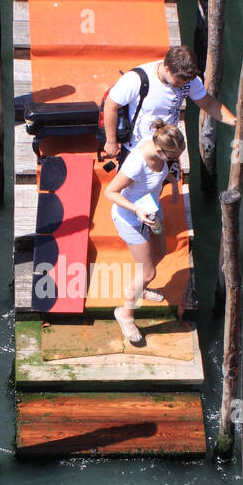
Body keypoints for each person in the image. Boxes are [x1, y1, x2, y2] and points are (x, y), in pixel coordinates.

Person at [103, 121, 186, 346]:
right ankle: (125, 313)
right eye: (171, 157)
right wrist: (137, 210)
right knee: (148, 272)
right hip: (131, 218)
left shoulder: (161, 146)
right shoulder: (136, 165)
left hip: (151, 209)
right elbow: (110, 192)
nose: (173, 160)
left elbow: (165, 171)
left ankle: (141, 288)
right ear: (159, 151)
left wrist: (174, 184)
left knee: (162, 250)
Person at [102, 46, 234, 162]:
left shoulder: (188, 81)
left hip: (168, 149)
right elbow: (110, 105)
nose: (182, 85)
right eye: (177, 82)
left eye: (185, 82)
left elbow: (209, 104)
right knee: (129, 190)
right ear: (166, 68)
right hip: (137, 148)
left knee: (159, 187)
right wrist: (111, 141)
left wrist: (235, 121)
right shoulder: (136, 79)